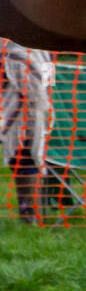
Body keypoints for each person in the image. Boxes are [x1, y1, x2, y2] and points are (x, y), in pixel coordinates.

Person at [1, 39, 55, 225]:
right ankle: (28, 209)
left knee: (27, 153)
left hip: (35, 109)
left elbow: (44, 76)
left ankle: (30, 211)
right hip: (14, 101)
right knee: (21, 154)